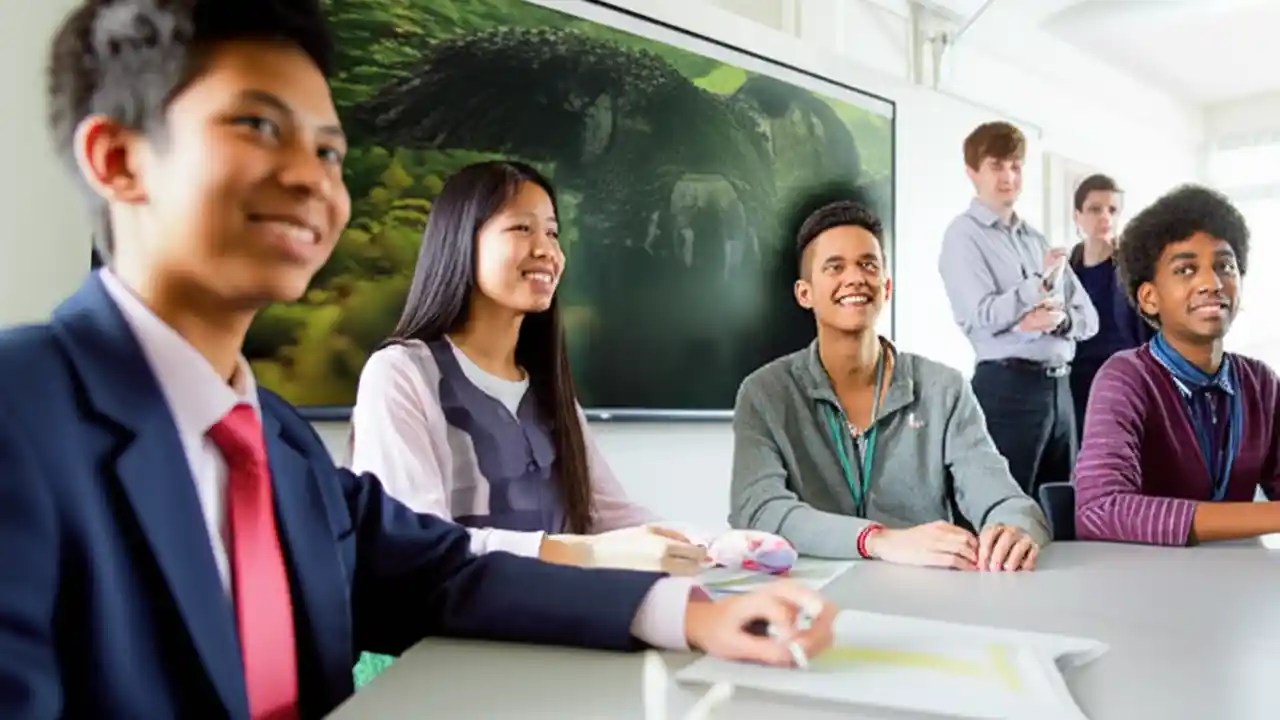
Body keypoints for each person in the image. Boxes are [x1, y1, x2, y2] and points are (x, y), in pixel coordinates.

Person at [0, 2, 836, 718]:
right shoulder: (21, 419)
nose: (312, 179)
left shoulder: (279, 446)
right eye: (258, 126)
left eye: (329, 152)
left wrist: (686, 612)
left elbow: (441, 572)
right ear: (118, 160)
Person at [351, 160, 702, 573]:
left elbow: (609, 515)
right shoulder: (400, 373)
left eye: (553, 232)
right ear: (461, 240)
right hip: (447, 629)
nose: (547, 251)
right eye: (523, 228)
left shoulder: (547, 388)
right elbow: (412, 540)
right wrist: (582, 553)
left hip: (553, 616)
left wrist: (717, 544)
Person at [730, 200, 1049, 571]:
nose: (855, 278)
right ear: (805, 294)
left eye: (868, 264)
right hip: (807, 600)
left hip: (923, 599)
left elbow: (1005, 500)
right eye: (835, 267)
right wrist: (878, 540)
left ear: (886, 286)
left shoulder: (944, 389)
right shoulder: (765, 393)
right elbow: (757, 509)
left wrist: (1015, 528)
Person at [1075, 185, 1280, 545]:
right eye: (1186, 269)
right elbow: (1099, 509)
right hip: (1143, 584)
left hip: (1240, 582)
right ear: (1149, 297)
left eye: (1225, 266)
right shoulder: (1125, 378)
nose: (1212, 283)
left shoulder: (1260, 382)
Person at [939, 121, 1099, 497]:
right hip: (1007, 389)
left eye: (1015, 166)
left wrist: (1056, 322)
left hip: (1060, 390)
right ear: (972, 173)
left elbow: (1088, 318)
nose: (1008, 176)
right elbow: (980, 315)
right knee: (1005, 515)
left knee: (1061, 512)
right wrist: (1038, 287)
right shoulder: (963, 236)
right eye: (996, 166)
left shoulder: (1035, 239)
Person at [1067, 174, 1153, 441]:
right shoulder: (1067, 271)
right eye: (1095, 209)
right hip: (1075, 385)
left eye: (1112, 210)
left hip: (1122, 382)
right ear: (1077, 216)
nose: (1105, 217)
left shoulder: (1134, 271)